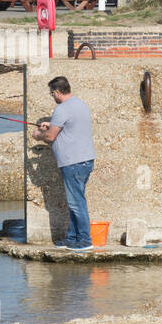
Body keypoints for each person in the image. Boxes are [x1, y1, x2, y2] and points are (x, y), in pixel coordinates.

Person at [32, 76, 96, 251]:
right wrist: (50, 124)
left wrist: (38, 135)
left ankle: (85, 240)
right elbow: (68, 127)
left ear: (57, 92)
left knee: (76, 202)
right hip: (85, 160)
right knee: (75, 200)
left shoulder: (61, 109)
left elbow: (51, 136)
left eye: (52, 93)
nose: (52, 96)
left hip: (73, 162)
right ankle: (72, 238)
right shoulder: (80, 104)